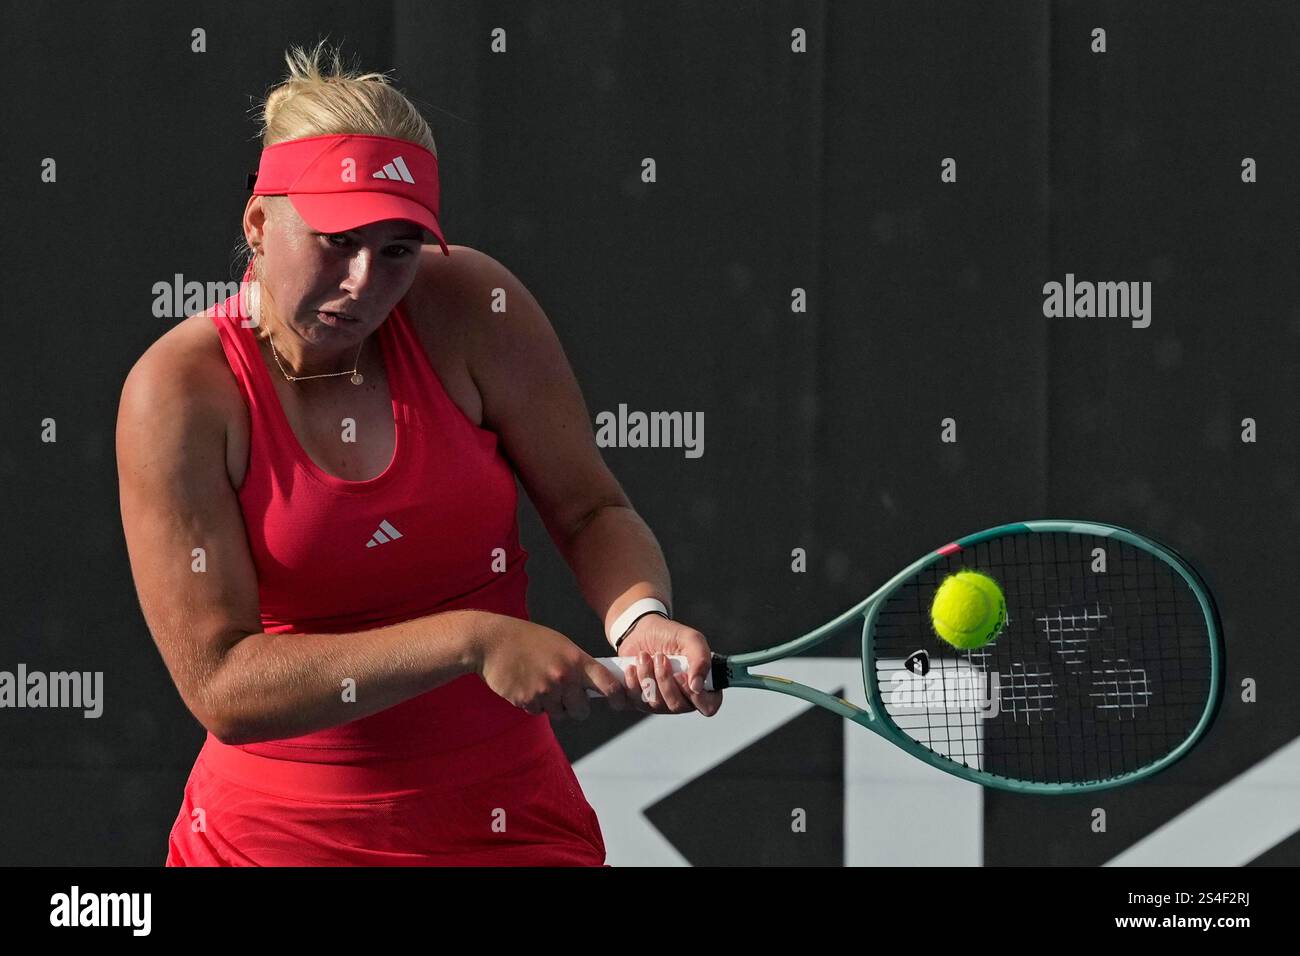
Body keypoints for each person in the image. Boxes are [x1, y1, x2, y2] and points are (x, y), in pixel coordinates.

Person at [116, 40, 723, 866]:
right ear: (259, 222)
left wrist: (640, 617)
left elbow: (591, 511)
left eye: (398, 248)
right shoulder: (178, 391)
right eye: (338, 240)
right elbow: (222, 686)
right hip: (277, 839)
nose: (366, 281)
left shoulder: (475, 304)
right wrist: (470, 641)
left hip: (509, 819)